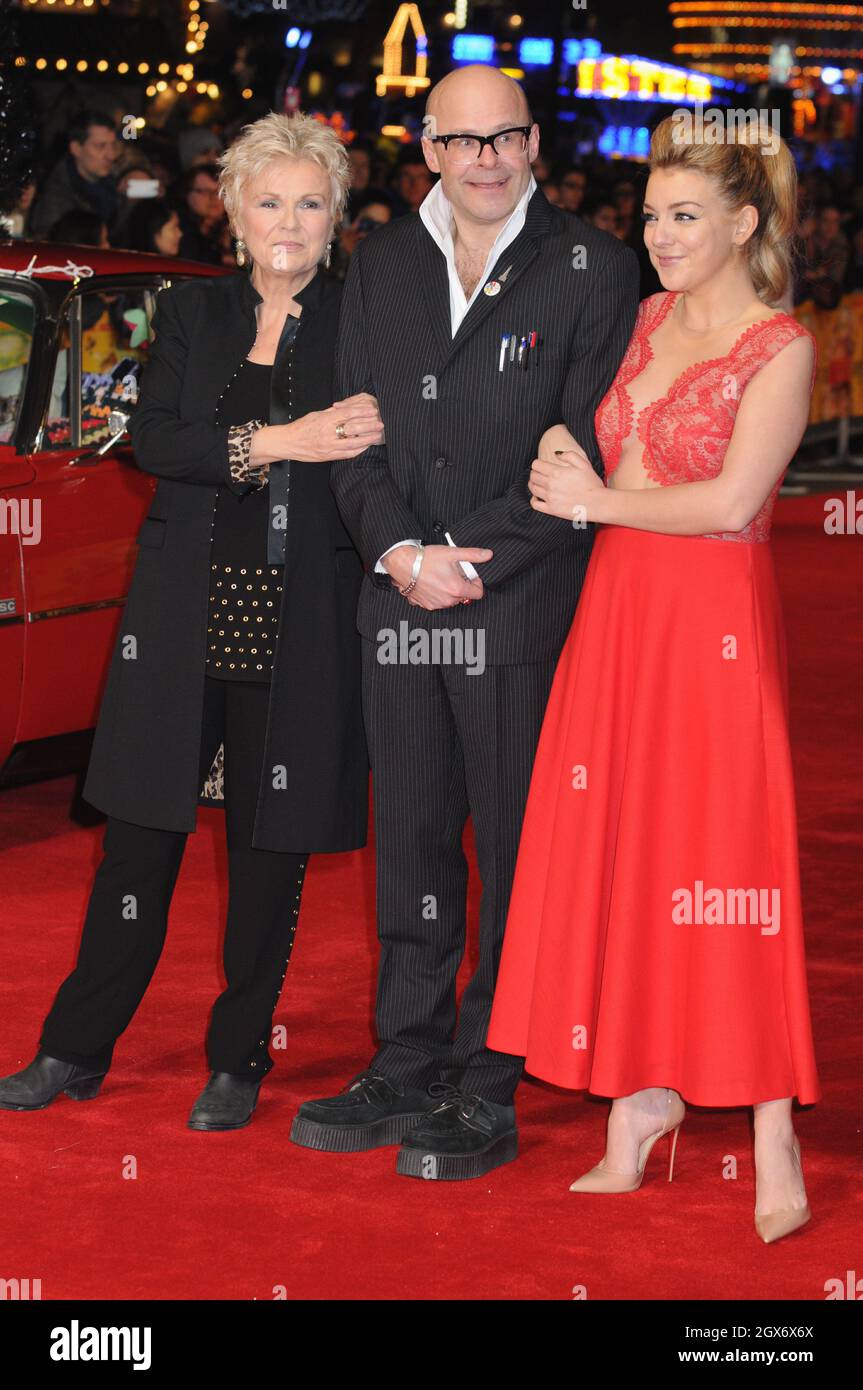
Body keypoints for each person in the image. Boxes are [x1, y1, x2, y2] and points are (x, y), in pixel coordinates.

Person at [290, 65, 639, 1180]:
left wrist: (467, 564)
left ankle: (493, 1068)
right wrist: (399, 555)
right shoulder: (377, 263)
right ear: (427, 150)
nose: (486, 159)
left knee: (516, 841)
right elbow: (355, 432)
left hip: (517, 603)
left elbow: (582, 443)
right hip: (397, 599)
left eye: (506, 138)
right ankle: (406, 1052)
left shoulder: (592, 265)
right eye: (462, 140)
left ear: (533, 144)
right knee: (413, 838)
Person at [0, 112, 382, 1131]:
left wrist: (272, 442)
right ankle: (73, 1047)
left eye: (309, 201)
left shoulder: (361, 322)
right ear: (235, 216)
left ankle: (238, 1057)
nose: (288, 221)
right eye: (269, 202)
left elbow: (366, 449)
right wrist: (285, 436)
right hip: (180, 618)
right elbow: (156, 442)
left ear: (333, 213)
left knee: (269, 849)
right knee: (137, 846)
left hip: (297, 619)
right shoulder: (192, 313)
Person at [487, 114, 820, 1245]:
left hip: (712, 625)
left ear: (741, 222)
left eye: (684, 218)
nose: (660, 236)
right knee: (628, 851)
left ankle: (770, 1122)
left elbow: (733, 506)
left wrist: (595, 500)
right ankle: (637, 1103)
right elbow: (618, 462)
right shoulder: (640, 318)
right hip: (619, 612)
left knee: (727, 861)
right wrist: (565, 466)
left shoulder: (782, 344)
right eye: (651, 217)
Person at [30, 111, 120, 240]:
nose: (111, 155)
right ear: (76, 148)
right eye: (100, 146)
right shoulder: (54, 201)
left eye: (113, 145)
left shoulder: (113, 183)